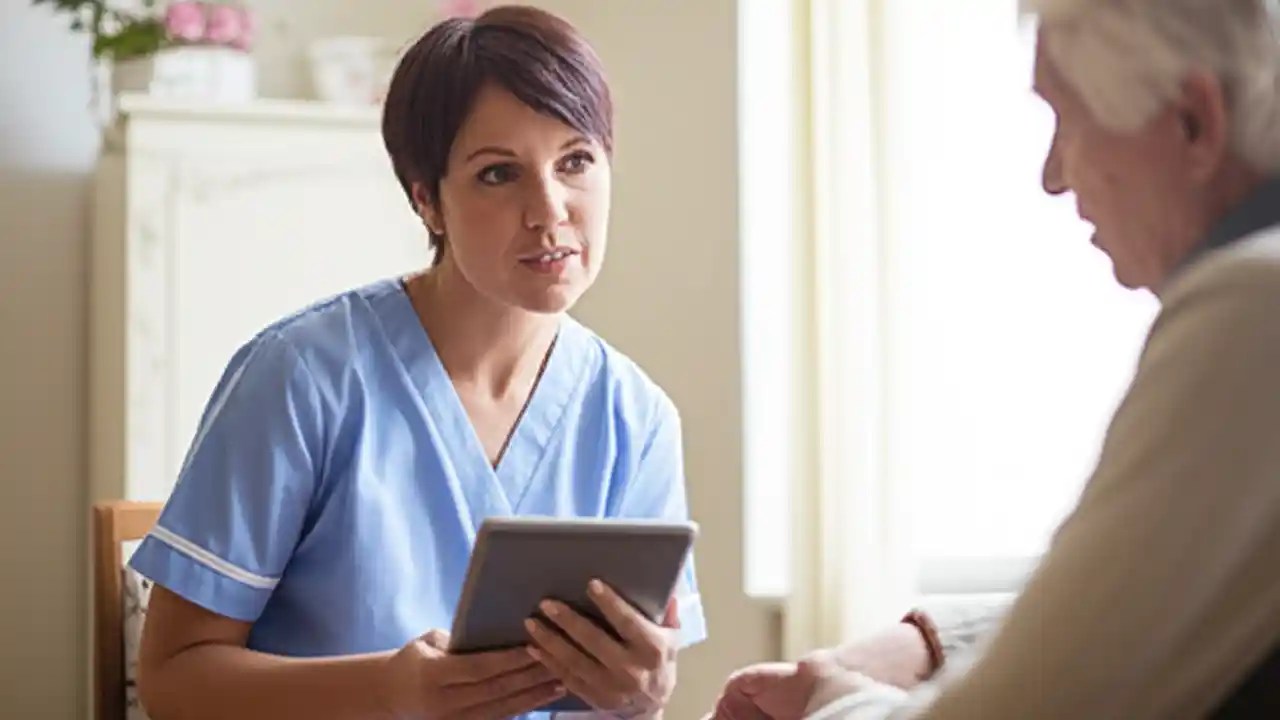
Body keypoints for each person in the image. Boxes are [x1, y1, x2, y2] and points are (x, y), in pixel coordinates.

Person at [129, 6, 706, 720]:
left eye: (576, 161)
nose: (550, 210)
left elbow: (616, 698)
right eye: (499, 174)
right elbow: (172, 682)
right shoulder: (302, 378)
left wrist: (644, 699)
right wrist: (388, 692)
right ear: (426, 200)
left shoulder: (634, 418)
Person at [710, 0, 1280, 717]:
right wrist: (929, 643)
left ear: (1193, 121)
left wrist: (832, 699)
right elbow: (1152, 585)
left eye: (1066, 119)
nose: (1053, 175)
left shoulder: (1252, 308)